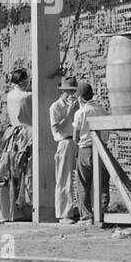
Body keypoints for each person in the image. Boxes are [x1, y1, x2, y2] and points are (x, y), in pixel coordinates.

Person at [72, 83, 109, 224]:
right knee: (103, 183)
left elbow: (75, 136)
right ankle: (102, 212)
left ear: (80, 98)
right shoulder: (102, 110)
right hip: (102, 150)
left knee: (83, 184)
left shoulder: (80, 113)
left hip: (85, 150)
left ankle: (87, 216)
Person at [48, 76, 80, 221]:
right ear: (63, 92)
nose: (72, 95)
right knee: (64, 178)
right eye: (69, 92)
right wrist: (68, 113)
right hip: (65, 141)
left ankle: (80, 208)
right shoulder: (56, 107)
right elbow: (56, 127)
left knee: (81, 177)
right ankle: (63, 213)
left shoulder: (77, 105)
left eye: (74, 92)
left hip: (77, 141)